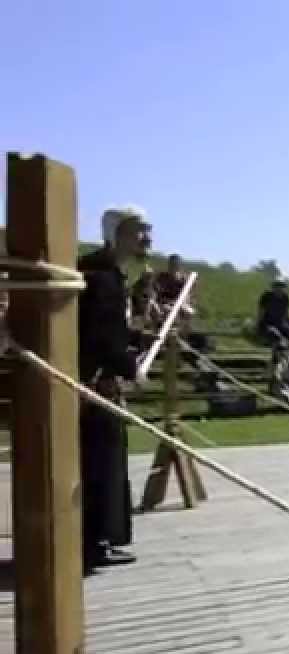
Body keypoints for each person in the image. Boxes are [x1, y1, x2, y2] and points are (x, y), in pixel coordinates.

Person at [78, 205, 152, 573]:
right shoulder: (101, 277)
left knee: (105, 461)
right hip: (92, 386)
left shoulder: (109, 275)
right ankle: (93, 543)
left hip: (99, 383)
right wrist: (129, 366)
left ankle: (100, 540)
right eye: (139, 230)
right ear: (116, 234)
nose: (147, 238)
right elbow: (100, 336)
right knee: (98, 464)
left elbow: (114, 330)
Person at [257, 280, 289, 347]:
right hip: (267, 323)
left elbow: (287, 313)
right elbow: (261, 311)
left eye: (281, 287)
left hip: (281, 324)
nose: (279, 289)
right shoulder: (266, 296)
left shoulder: (285, 298)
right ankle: (279, 345)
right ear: (273, 288)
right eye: (277, 287)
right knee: (274, 334)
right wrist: (258, 324)